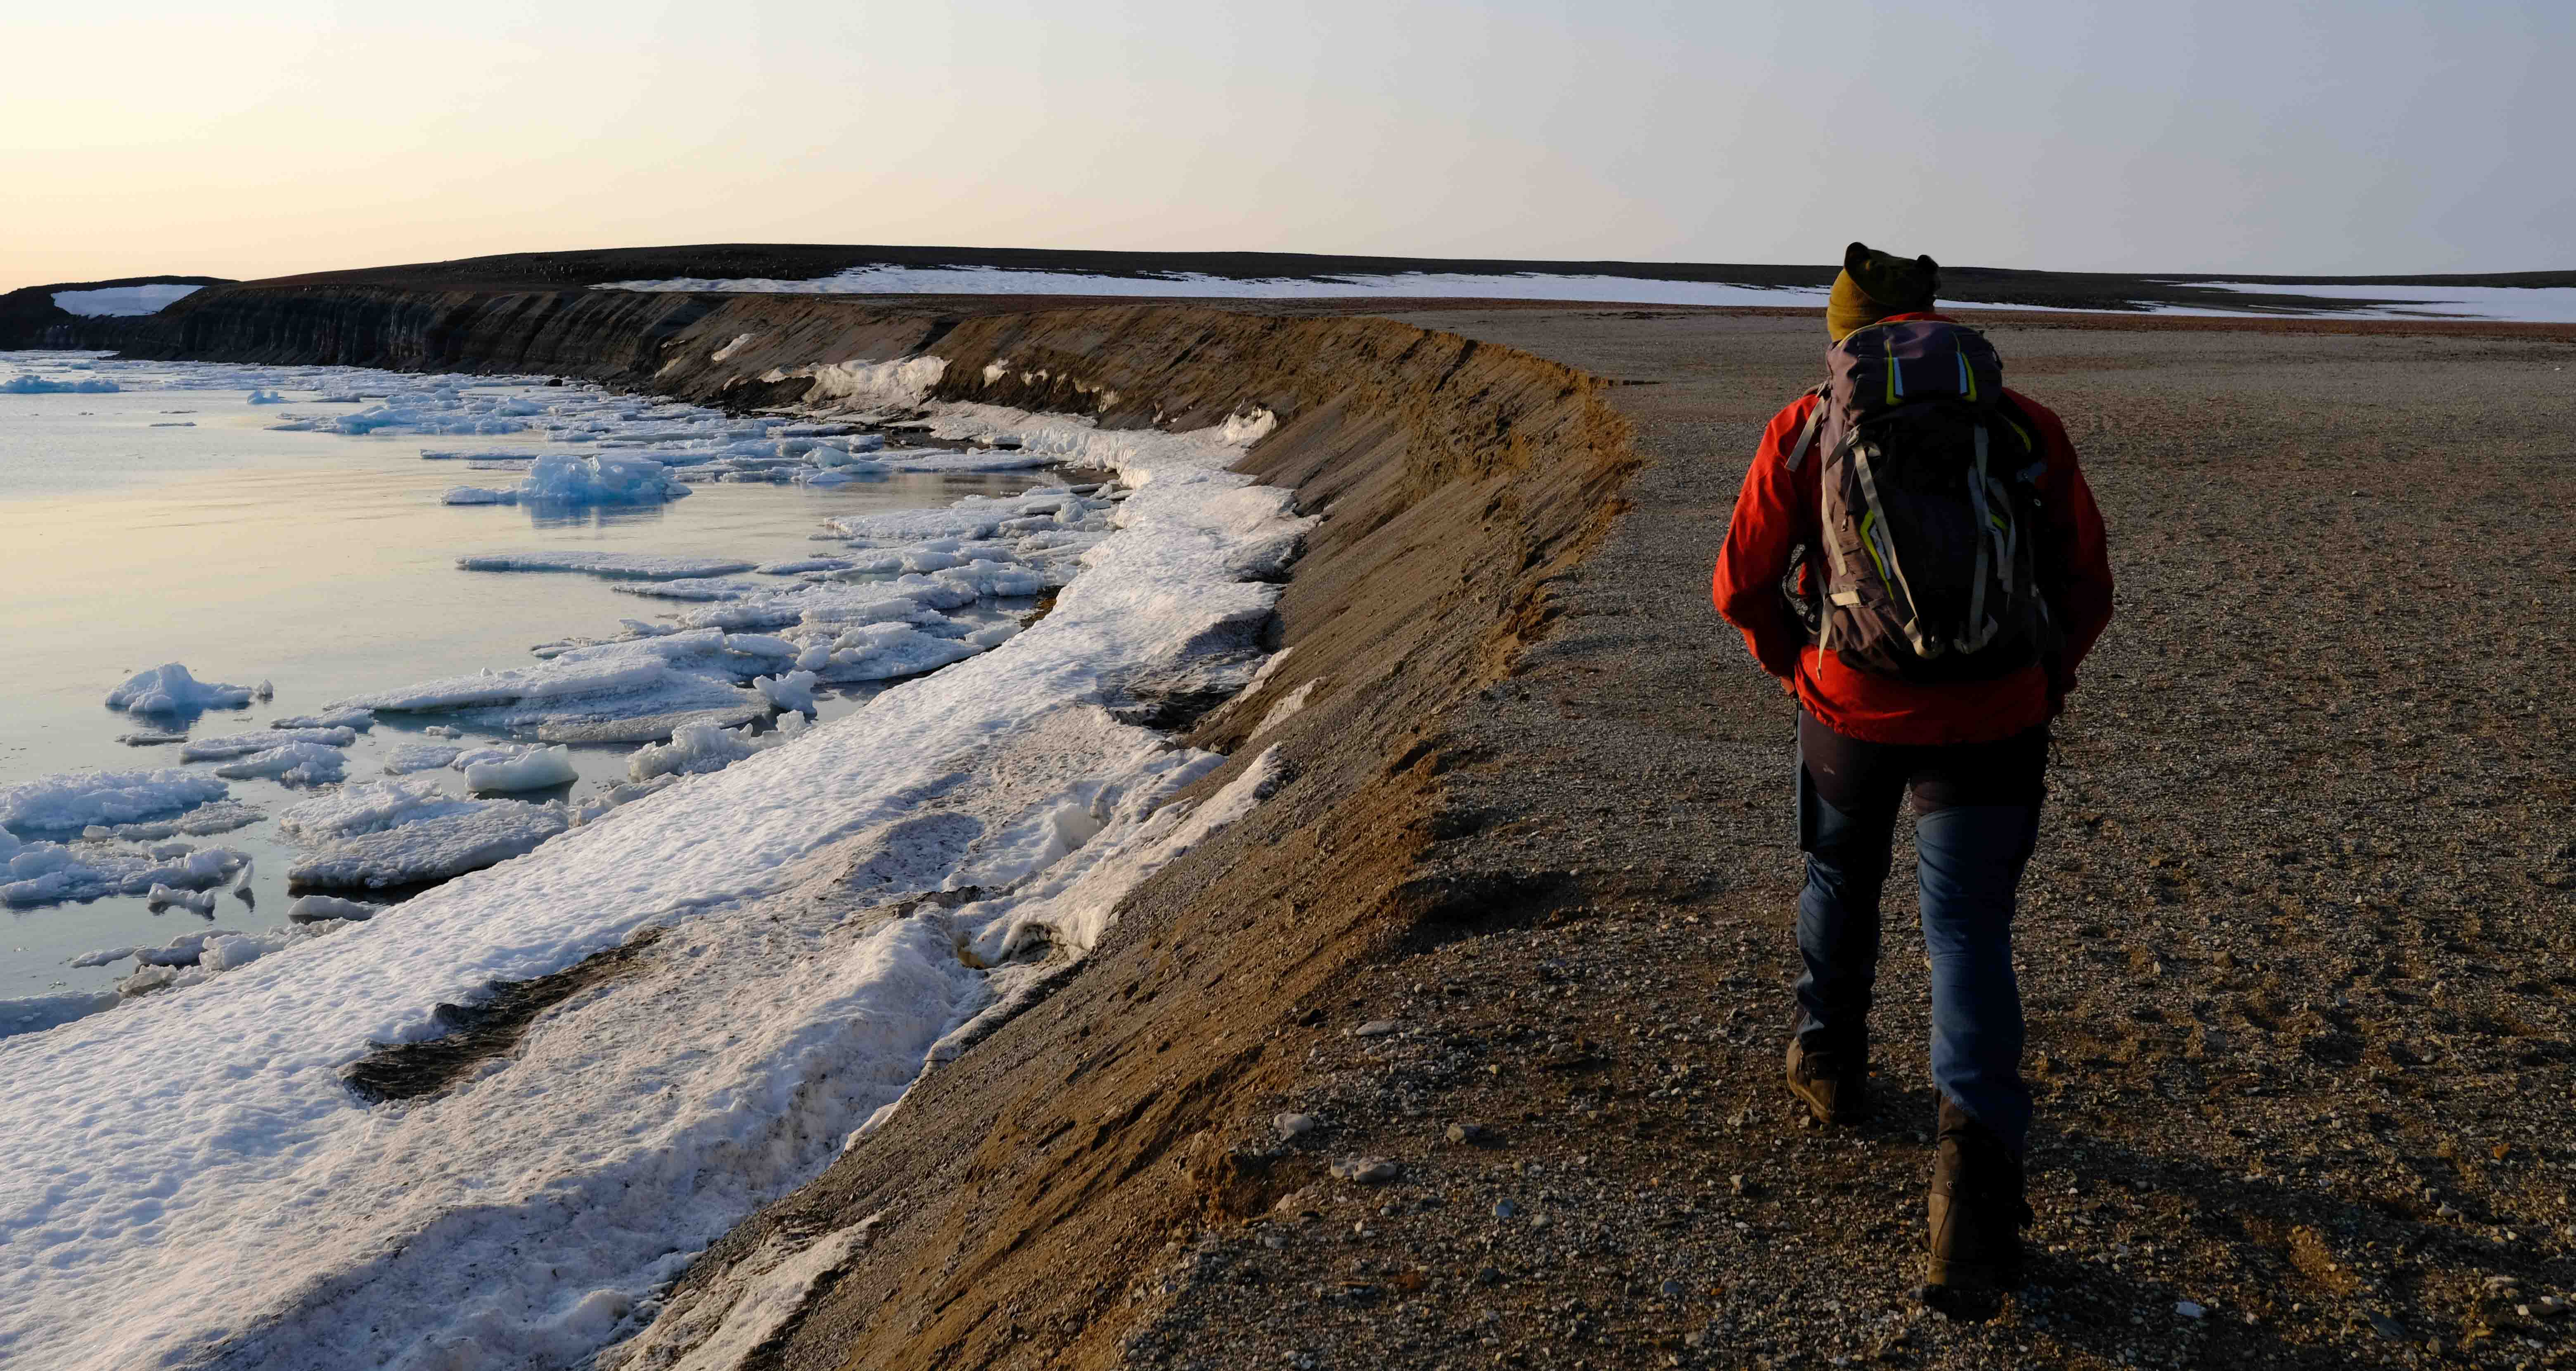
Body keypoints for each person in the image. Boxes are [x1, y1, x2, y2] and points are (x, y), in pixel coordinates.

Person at [1711, 242, 2114, 1298]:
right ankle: (1972, 1203)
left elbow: (1740, 586)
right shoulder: (2023, 425)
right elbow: (2086, 582)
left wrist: (1795, 665)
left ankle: (1830, 1064)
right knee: (1969, 930)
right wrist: (2042, 680)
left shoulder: (1805, 428)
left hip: (1850, 709)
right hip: (1994, 721)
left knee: (1841, 878)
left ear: (1844, 332)